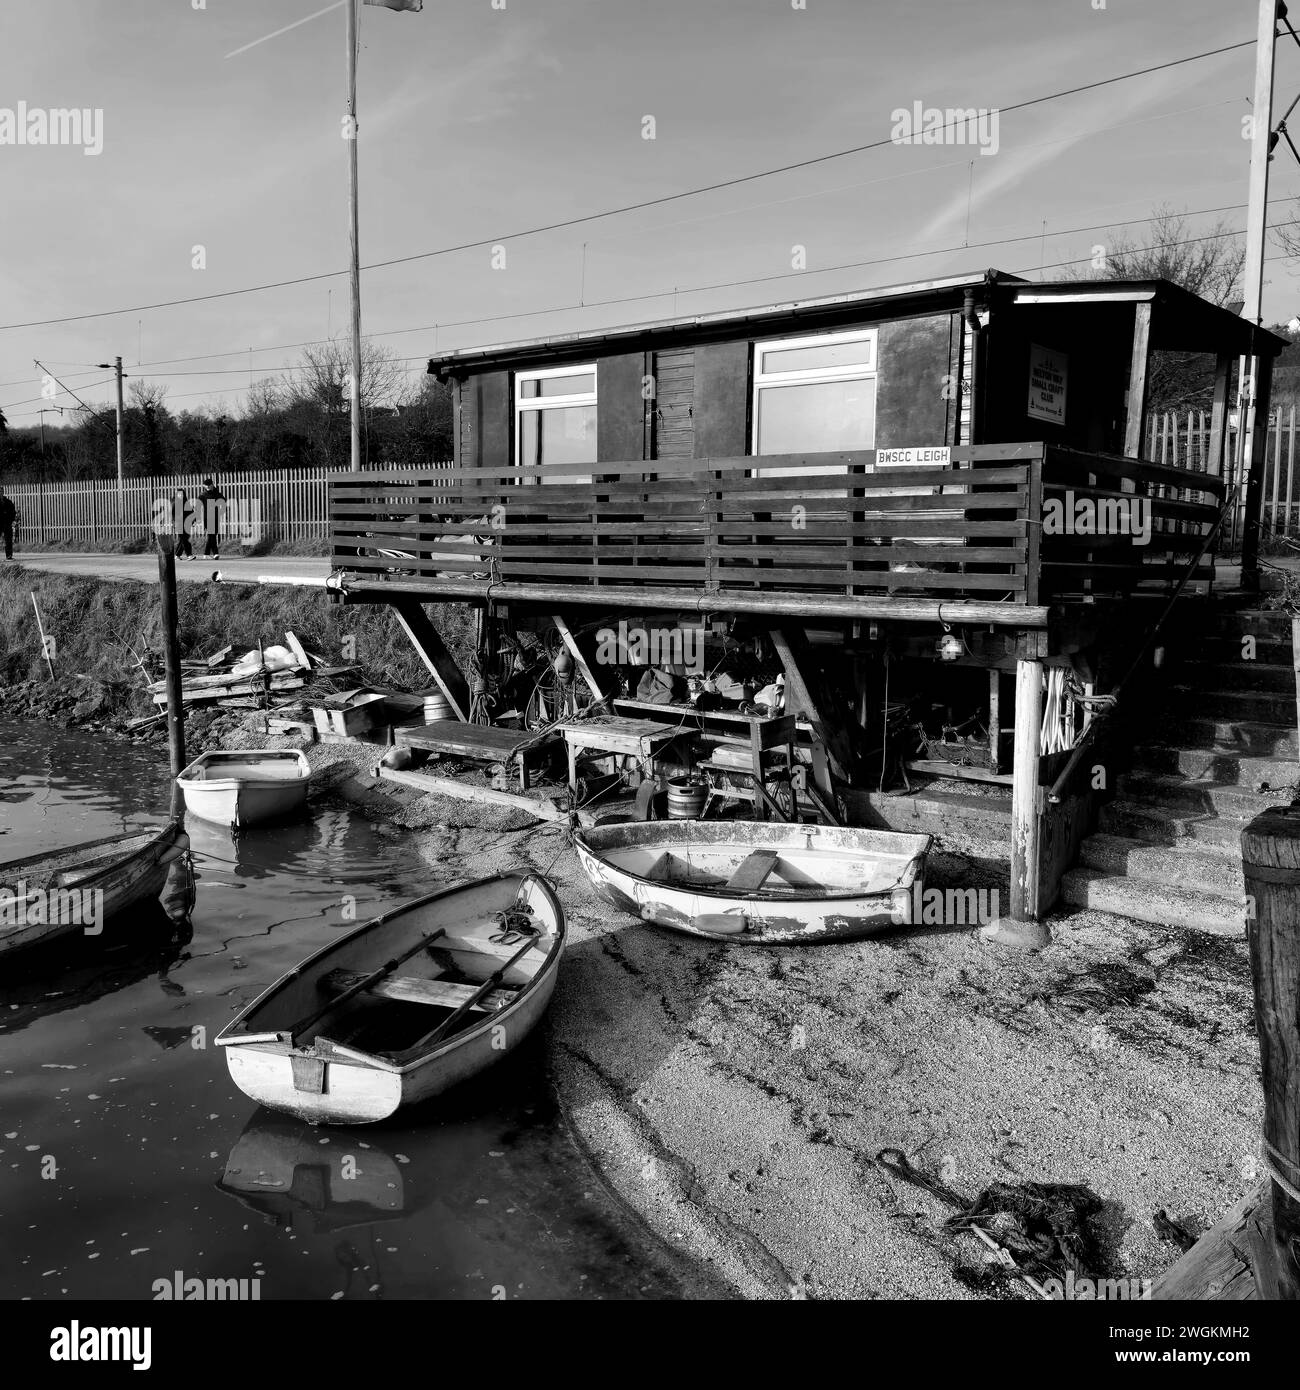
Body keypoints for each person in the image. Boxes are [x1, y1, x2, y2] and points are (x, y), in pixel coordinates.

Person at [198, 477, 225, 559]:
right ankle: (215, 553)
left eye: (208, 486)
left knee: (213, 534)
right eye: (205, 486)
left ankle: (206, 554)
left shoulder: (216, 493)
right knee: (212, 534)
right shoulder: (203, 495)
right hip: (207, 517)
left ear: (212, 485)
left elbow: (223, 500)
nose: (207, 488)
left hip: (216, 516)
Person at [173, 487, 193, 559]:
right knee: (184, 539)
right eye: (179, 494)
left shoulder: (186, 503)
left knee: (183, 539)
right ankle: (189, 555)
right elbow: (172, 515)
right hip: (179, 524)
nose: (181, 495)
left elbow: (191, 513)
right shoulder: (175, 503)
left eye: (182, 494)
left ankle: (177, 555)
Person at [0, 486, 16, 561]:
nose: (0, 493)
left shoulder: (8, 502)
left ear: (3, 492)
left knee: (8, 539)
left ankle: (9, 556)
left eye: (1, 491)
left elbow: (13, 512)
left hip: (7, 523)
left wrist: (12, 520)